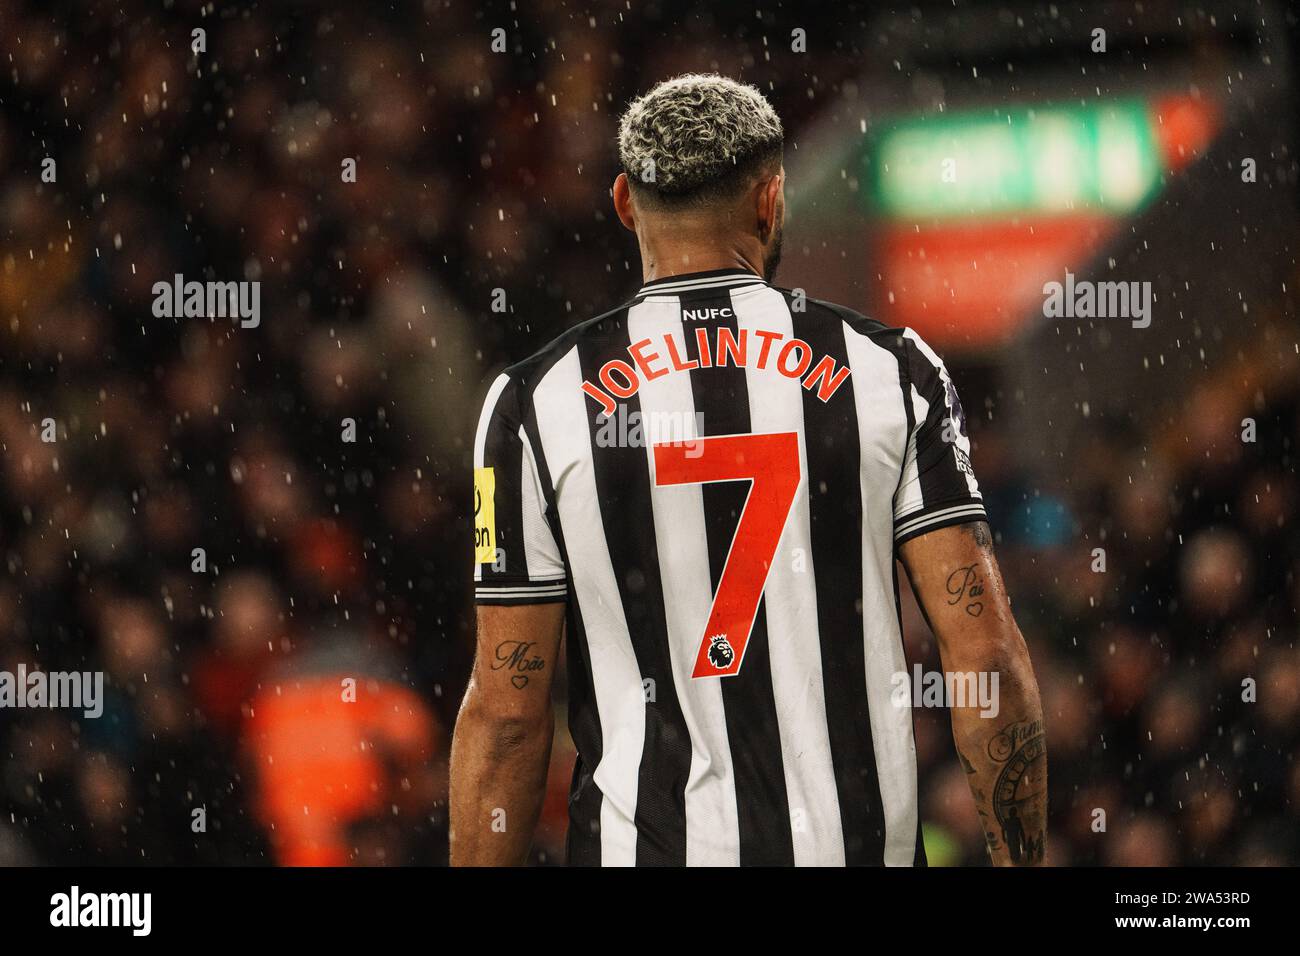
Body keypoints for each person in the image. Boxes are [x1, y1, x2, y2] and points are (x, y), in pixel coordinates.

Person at [450, 73, 1046, 867]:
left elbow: (507, 714)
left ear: (625, 203)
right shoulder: (889, 371)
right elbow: (985, 658)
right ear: (771, 201)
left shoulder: (533, 401)